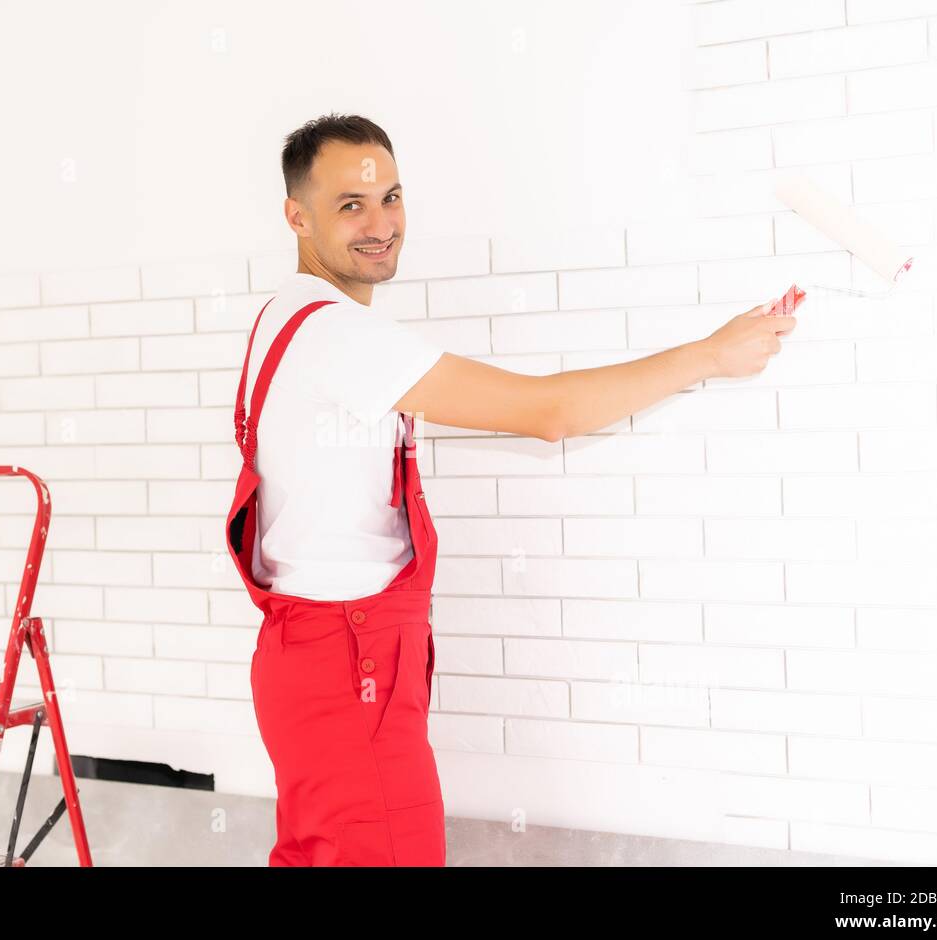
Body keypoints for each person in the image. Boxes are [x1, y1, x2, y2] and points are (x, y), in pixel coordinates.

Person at [225, 113, 795, 867]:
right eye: (350, 204)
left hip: (309, 661)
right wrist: (710, 355)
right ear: (296, 215)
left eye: (391, 197)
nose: (381, 223)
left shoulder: (283, 318)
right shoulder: (339, 336)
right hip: (349, 660)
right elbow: (547, 413)